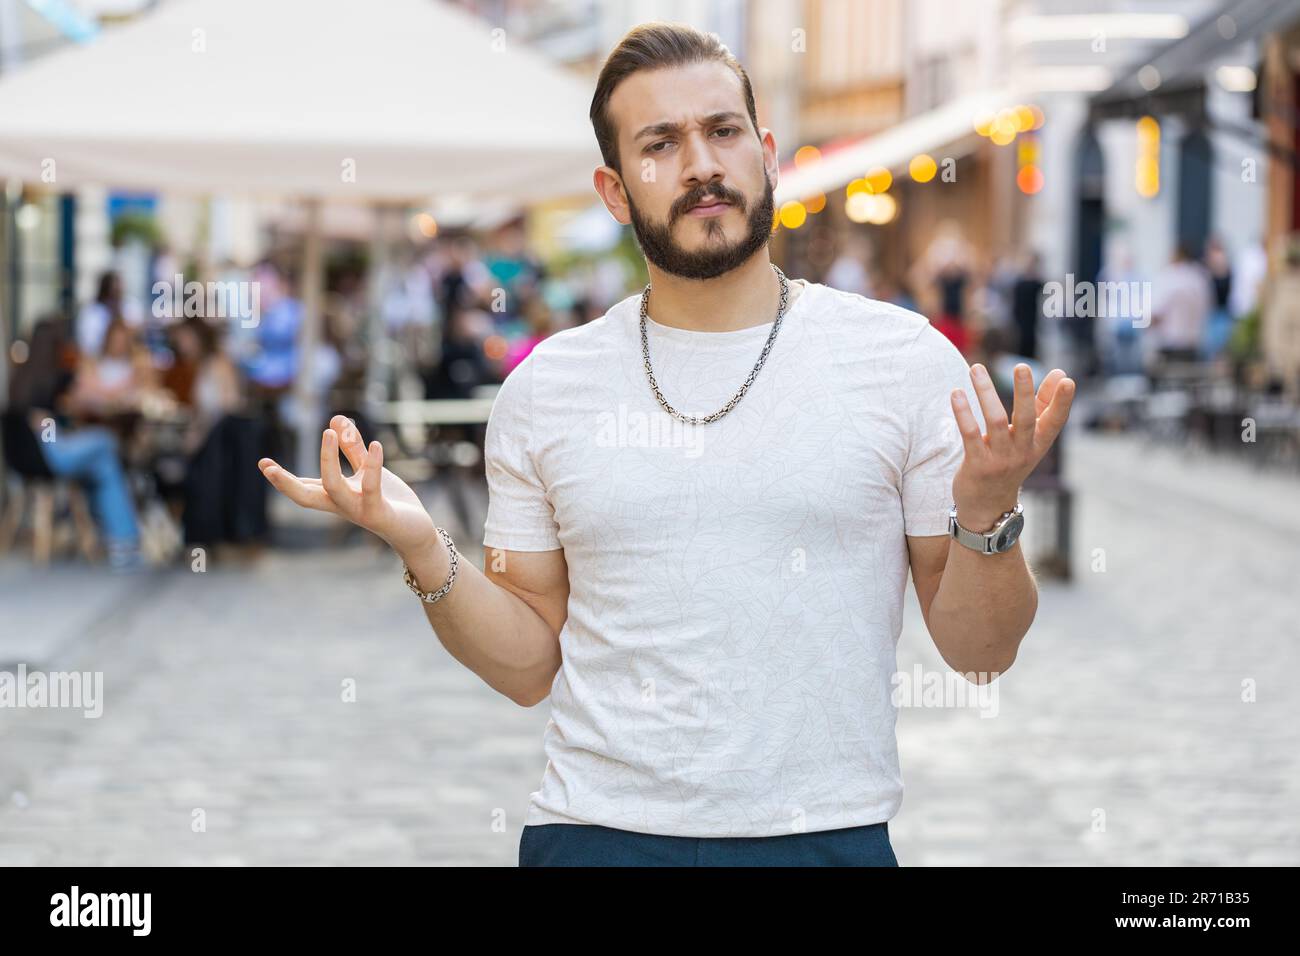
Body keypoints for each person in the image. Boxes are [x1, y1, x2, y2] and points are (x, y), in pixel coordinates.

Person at [258, 22, 1075, 868]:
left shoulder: (901, 362)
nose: (700, 164)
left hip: (822, 837)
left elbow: (981, 655)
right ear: (615, 192)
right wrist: (422, 545)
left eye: (722, 132)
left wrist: (987, 511)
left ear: (764, 151)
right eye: (661, 144)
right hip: (595, 836)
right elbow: (527, 664)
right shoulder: (549, 388)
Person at [7, 316, 143, 568]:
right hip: (51, 450)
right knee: (106, 443)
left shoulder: (20, 377)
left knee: (102, 465)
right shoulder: (60, 375)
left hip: (25, 459)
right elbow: (99, 396)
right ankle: (124, 542)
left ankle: (118, 541)